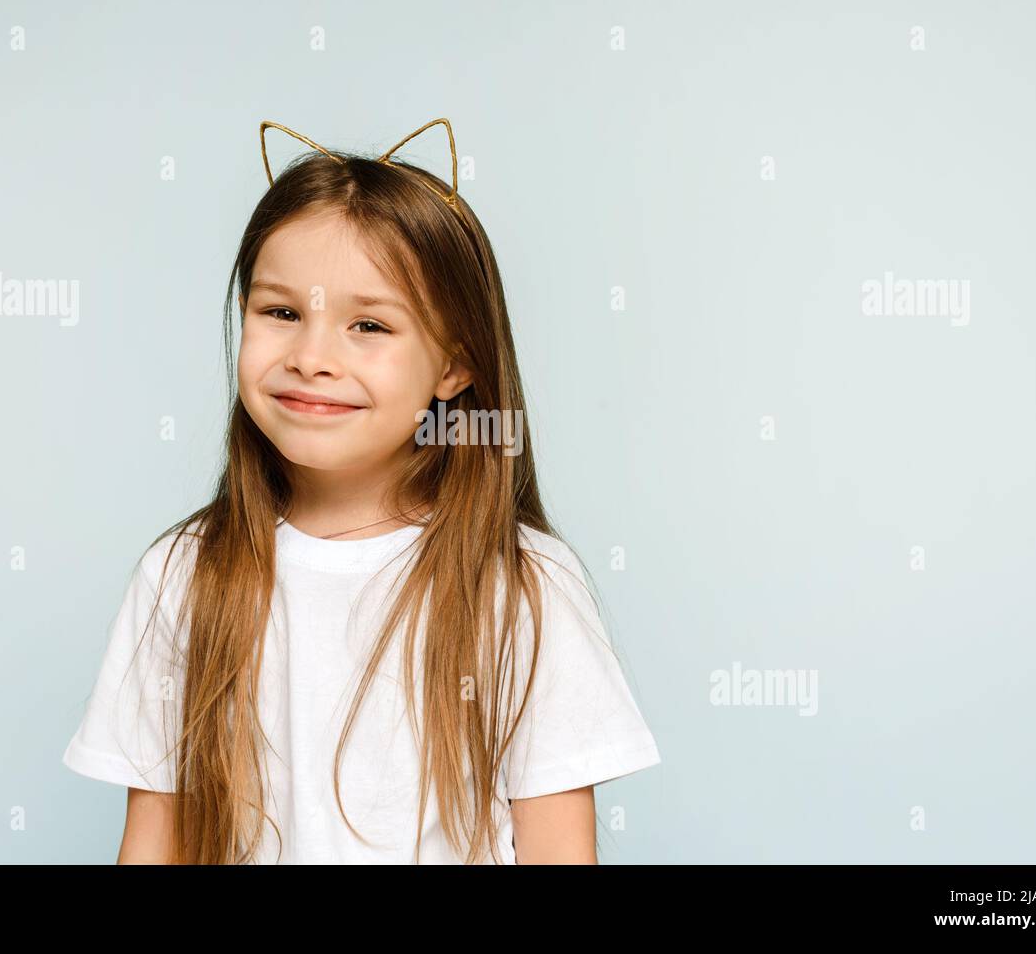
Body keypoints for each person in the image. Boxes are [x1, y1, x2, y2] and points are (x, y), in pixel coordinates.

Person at [62, 118, 661, 864]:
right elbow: (154, 844)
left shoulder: (522, 585)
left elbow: (559, 854)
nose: (312, 356)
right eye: (281, 312)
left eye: (369, 324)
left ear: (453, 369)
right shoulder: (182, 575)